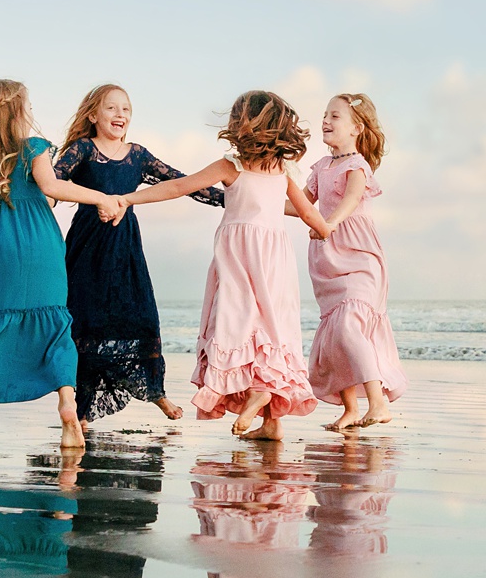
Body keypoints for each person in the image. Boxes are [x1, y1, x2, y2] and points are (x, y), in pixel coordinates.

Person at [106, 90, 330, 440]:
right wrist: (324, 229)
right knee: (273, 325)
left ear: (241, 126)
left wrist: (128, 198)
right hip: (275, 261)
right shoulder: (284, 170)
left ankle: (258, 392)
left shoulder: (231, 166)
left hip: (238, 257)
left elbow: (177, 187)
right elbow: (306, 212)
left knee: (238, 321)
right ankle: (271, 423)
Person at [0, 78, 123, 447]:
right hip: (38, 242)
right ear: (18, 112)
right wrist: (100, 197)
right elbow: (50, 187)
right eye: (28, 105)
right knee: (53, 322)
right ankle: (68, 405)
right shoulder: (33, 148)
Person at [51, 83, 224, 424]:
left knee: (139, 313)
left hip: (125, 244)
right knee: (86, 318)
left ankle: (155, 392)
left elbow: (179, 181)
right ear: (93, 115)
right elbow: (55, 182)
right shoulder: (81, 149)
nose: (121, 115)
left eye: (126, 109)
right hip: (87, 244)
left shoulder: (138, 154)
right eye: (112, 108)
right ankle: (82, 409)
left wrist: (230, 198)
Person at [302, 93, 407, 430]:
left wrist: (329, 224)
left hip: (360, 257)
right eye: (325, 115)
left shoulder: (356, 165)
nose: (326, 121)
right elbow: (302, 205)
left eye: (335, 117)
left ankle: (378, 404)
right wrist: (258, 200)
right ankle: (349, 409)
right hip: (326, 261)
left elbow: (349, 200)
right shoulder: (320, 167)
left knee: (349, 326)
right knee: (335, 334)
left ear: (357, 128)